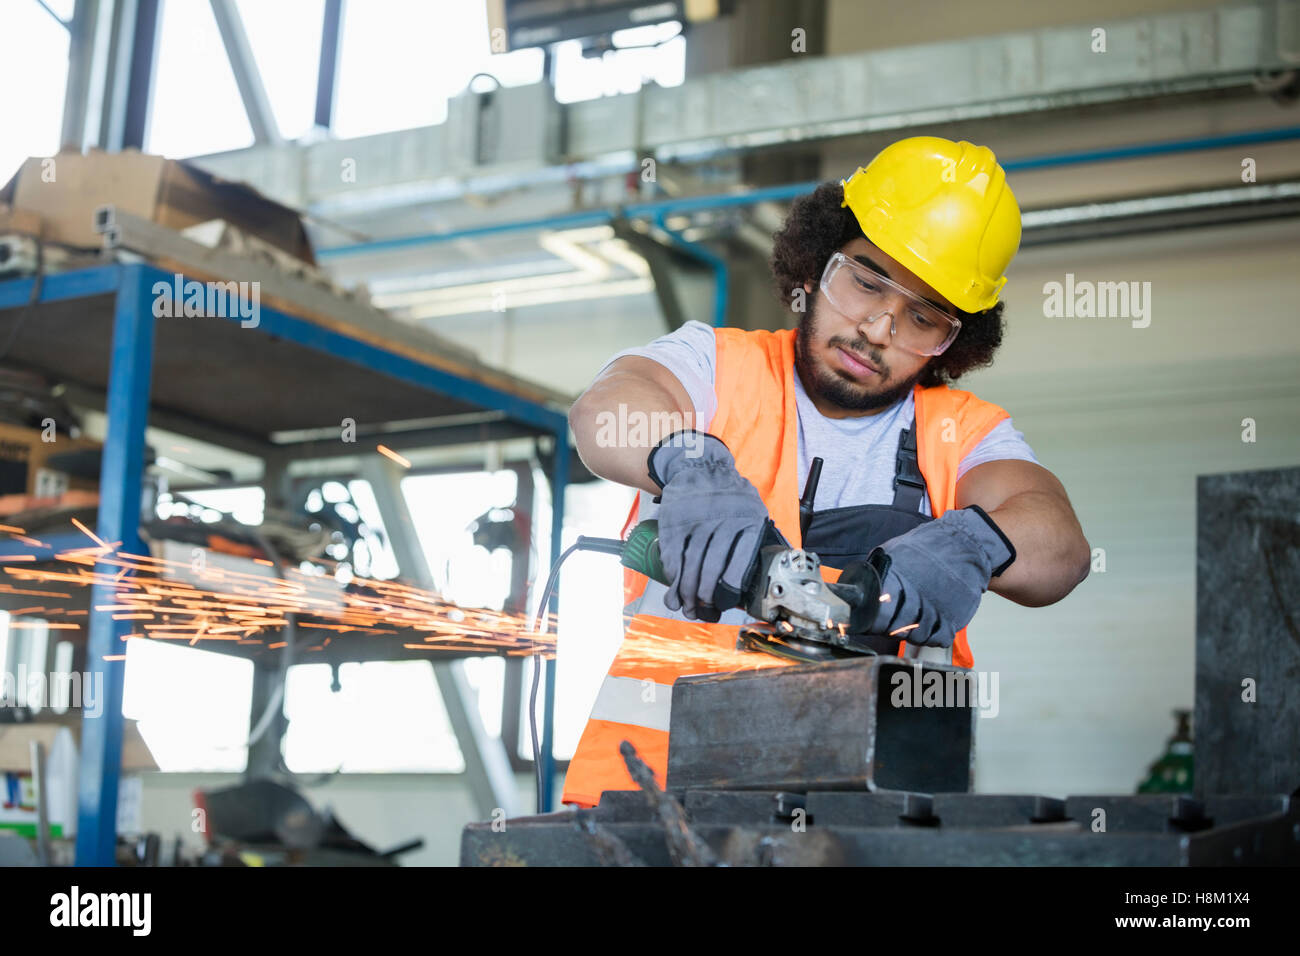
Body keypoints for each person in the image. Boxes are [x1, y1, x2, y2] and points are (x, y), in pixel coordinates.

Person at [561, 136, 1091, 808]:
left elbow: (1062, 550)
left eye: (922, 318)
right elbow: (606, 409)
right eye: (865, 283)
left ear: (954, 341)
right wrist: (688, 460)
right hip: (653, 808)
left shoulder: (964, 431)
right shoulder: (717, 366)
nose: (878, 329)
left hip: (881, 824)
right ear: (815, 268)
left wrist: (976, 542)